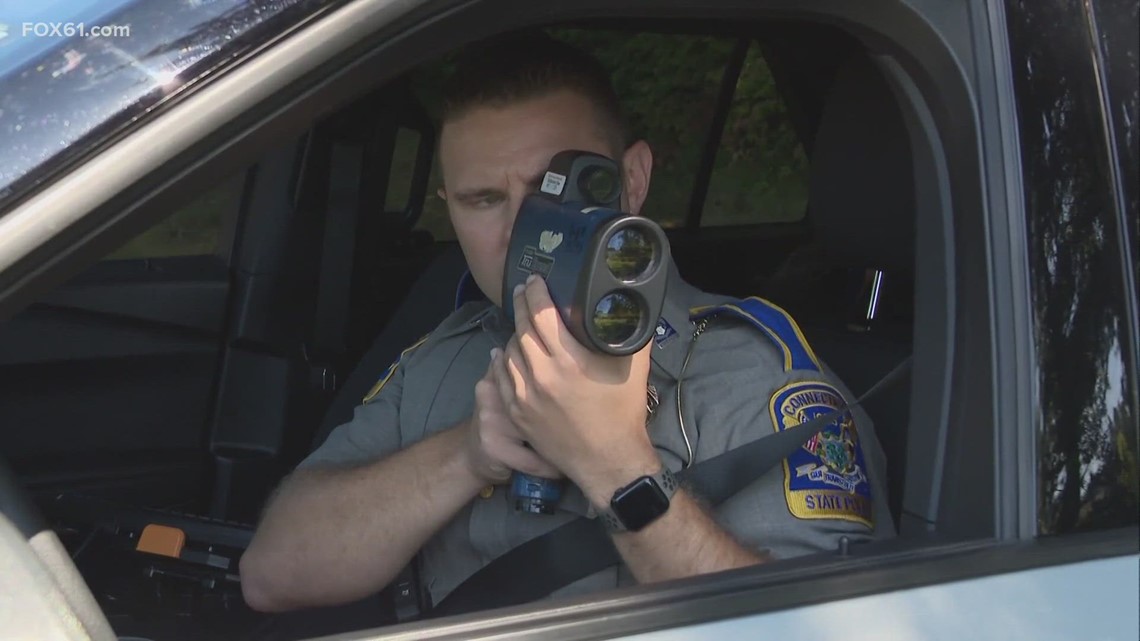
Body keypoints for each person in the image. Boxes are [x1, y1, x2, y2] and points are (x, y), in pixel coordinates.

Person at [239, 32, 893, 614]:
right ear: (449, 207)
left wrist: (619, 468)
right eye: (483, 200)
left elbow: (818, 629)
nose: (524, 232)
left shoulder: (748, 380)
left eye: (556, 193)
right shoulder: (442, 359)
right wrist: (471, 452)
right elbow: (272, 574)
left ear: (632, 181)